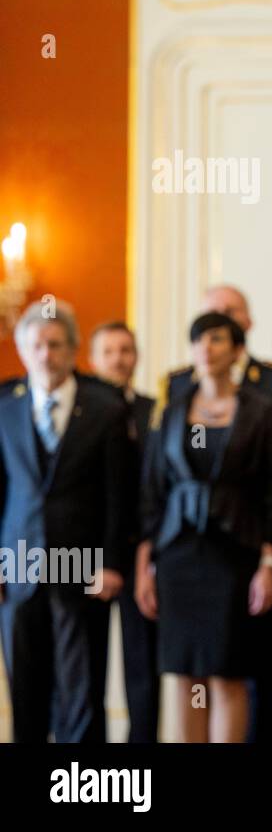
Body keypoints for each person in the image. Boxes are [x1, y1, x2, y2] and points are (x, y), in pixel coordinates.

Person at [136, 312, 272, 743]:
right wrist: (145, 564)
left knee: (226, 673)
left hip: (235, 553)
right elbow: (153, 491)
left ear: (238, 350)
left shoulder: (263, 412)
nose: (206, 348)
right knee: (185, 675)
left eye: (218, 339)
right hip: (178, 555)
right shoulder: (170, 412)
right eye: (199, 340)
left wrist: (268, 563)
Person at [0, 301, 129, 742]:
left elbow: (119, 496)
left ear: (72, 349)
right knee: (26, 688)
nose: (45, 355)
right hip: (17, 564)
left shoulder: (105, 409)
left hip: (83, 564)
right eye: (36, 345)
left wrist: (112, 563)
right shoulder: (5, 407)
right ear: (22, 350)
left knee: (82, 688)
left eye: (55, 345)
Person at [89, 320, 160, 742]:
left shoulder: (155, 411)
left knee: (143, 668)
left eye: (126, 350)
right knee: (86, 666)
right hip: (89, 558)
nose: (119, 358)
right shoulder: (80, 412)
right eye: (109, 351)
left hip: (141, 556)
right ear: (94, 359)